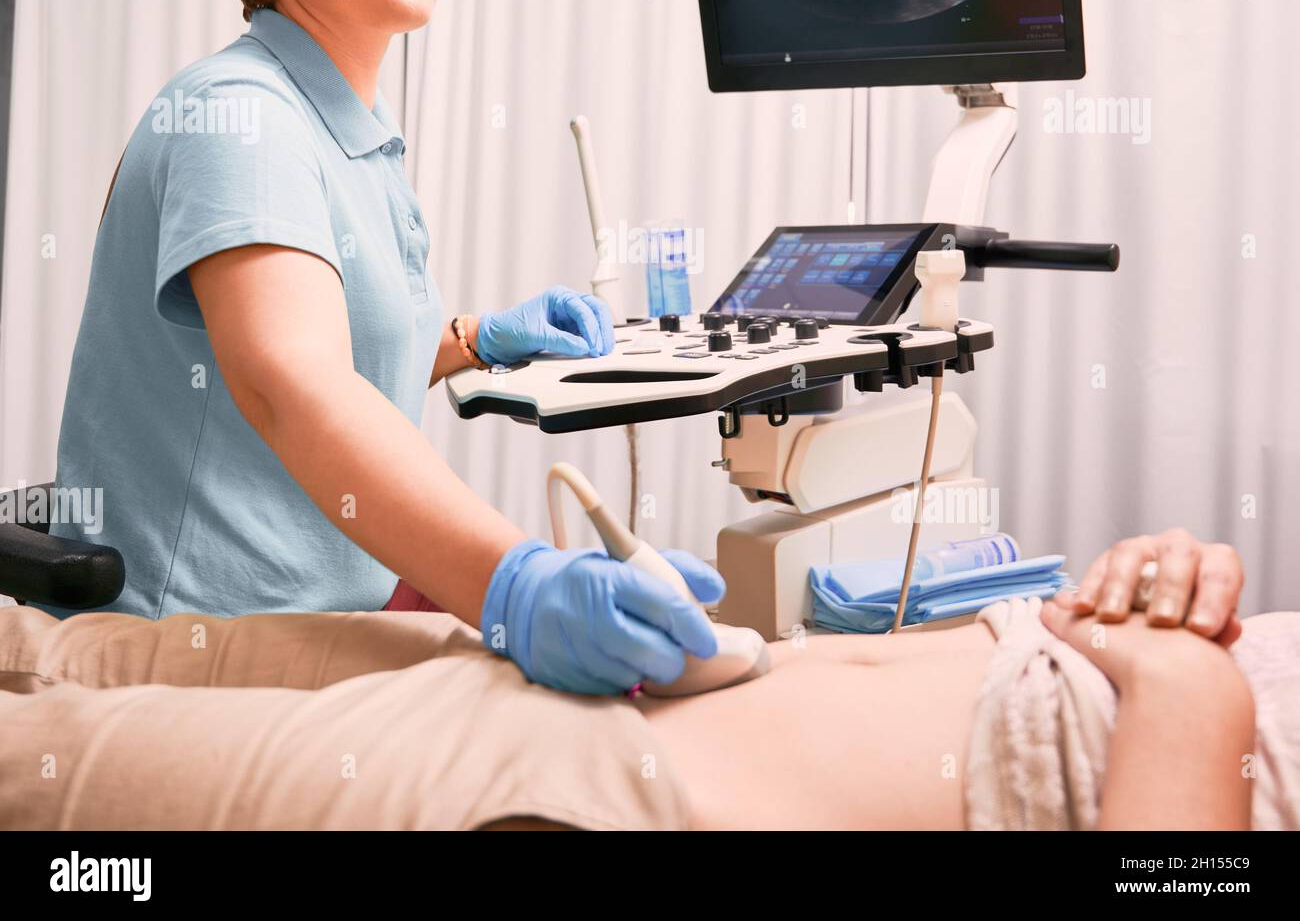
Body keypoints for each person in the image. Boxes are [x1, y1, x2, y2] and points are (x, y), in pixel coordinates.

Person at [36, 0, 722, 700]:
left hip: (326, 610)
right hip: (193, 650)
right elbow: (292, 382)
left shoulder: (339, 125)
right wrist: (513, 581)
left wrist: (471, 340)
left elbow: (325, 333)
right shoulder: (242, 118)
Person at [3, 529, 1293, 831]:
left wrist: (1190, 688)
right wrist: (1169, 573)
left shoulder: (1197, 697)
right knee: (58, 651)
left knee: (42, 768)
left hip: (581, 792)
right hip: (634, 689)